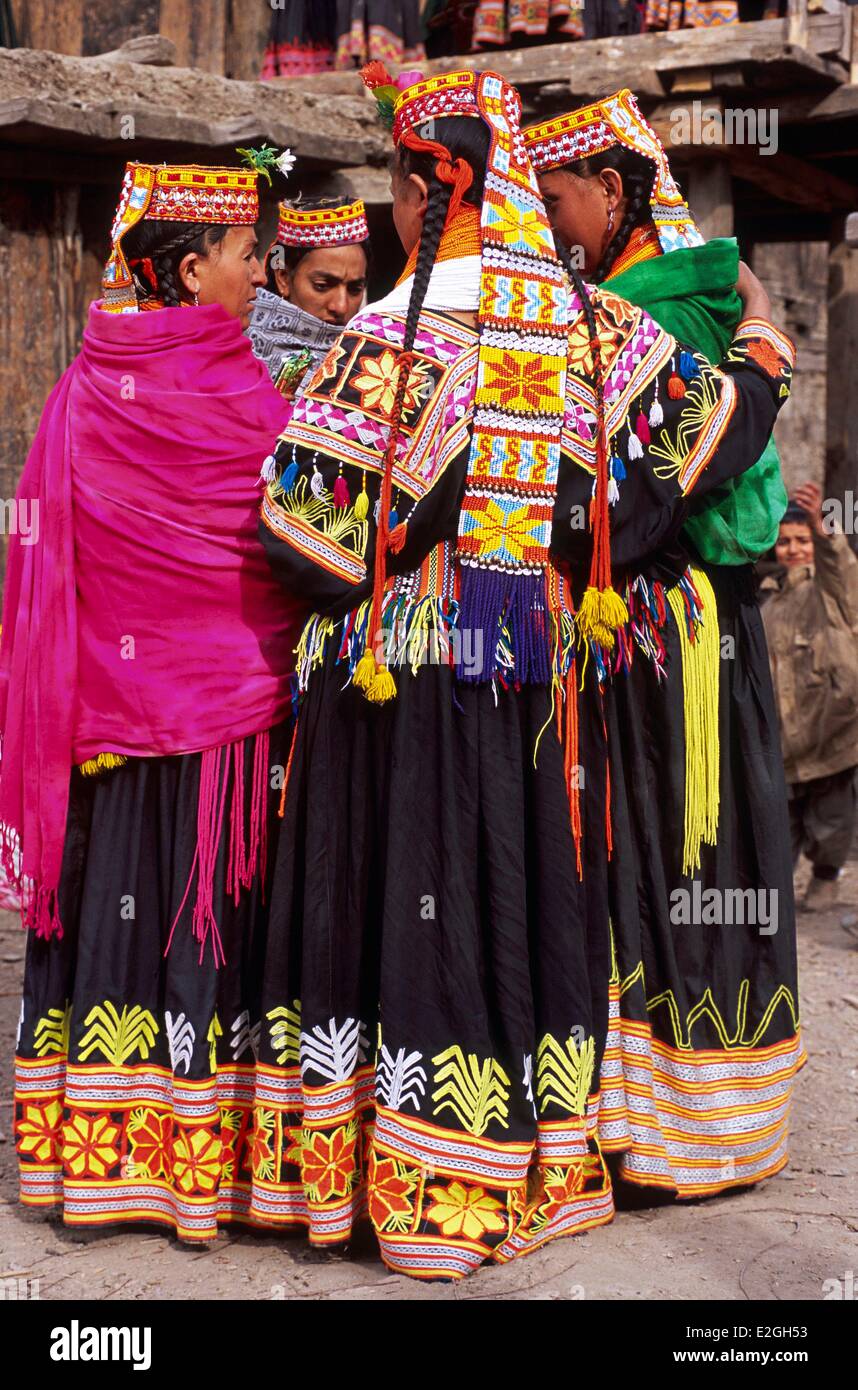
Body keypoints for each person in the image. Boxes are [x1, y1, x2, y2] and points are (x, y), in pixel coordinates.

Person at [251, 64, 797, 1279]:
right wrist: (767, 355)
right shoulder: (593, 328)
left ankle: (402, 1177)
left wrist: (413, 545)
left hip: (399, 687)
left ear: (419, 193)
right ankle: (534, 1160)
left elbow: (301, 528)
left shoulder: (391, 340)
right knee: (522, 894)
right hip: (539, 687)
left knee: (409, 906)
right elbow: (713, 440)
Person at [4, 159, 303, 1242]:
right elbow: (290, 550)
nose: (261, 269)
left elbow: (43, 565)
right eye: (245, 254)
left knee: (113, 923)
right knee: (203, 935)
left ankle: (95, 1163)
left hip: (108, 729)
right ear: (188, 268)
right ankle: (200, 1181)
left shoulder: (81, 391)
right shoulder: (239, 390)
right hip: (225, 732)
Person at [525, 94, 803, 1202]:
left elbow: (666, 473)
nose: (551, 226)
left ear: (617, 192)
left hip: (656, 632)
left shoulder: (633, 313)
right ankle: (716, 1117)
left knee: (662, 846)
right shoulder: (695, 293)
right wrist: (766, 331)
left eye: (560, 202)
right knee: (706, 845)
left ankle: (666, 1125)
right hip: (701, 627)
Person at [761, 482, 858, 912]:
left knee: (831, 818)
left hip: (831, 726)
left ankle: (825, 878)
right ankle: (776, 890)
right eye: (785, 542)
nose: (794, 550)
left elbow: (838, 563)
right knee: (783, 817)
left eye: (802, 541)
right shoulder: (768, 596)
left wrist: (825, 532)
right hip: (786, 734)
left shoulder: (832, 590)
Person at [248, 197, 370, 397]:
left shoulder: (372, 362)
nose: (340, 306)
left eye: (355, 290)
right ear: (284, 279)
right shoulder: (236, 350)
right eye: (322, 286)